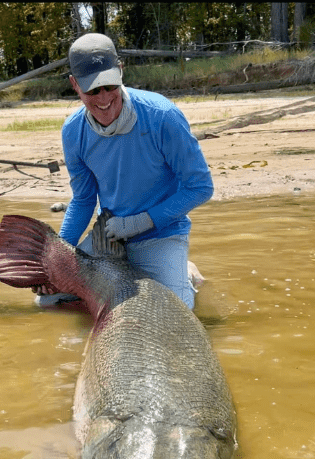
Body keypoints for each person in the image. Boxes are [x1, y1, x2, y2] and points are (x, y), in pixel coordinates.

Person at [37, 33, 214, 310]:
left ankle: (183, 270)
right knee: (46, 300)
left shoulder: (162, 116)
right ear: (74, 85)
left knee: (179, 311)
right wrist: (59, 256)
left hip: (161, 234)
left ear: (120, 72)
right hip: (109, 238)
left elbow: (201, 187)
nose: (104, 98)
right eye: (92, 90)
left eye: (109, 86)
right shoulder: (73, 131)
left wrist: (141, 222)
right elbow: (83, 200)